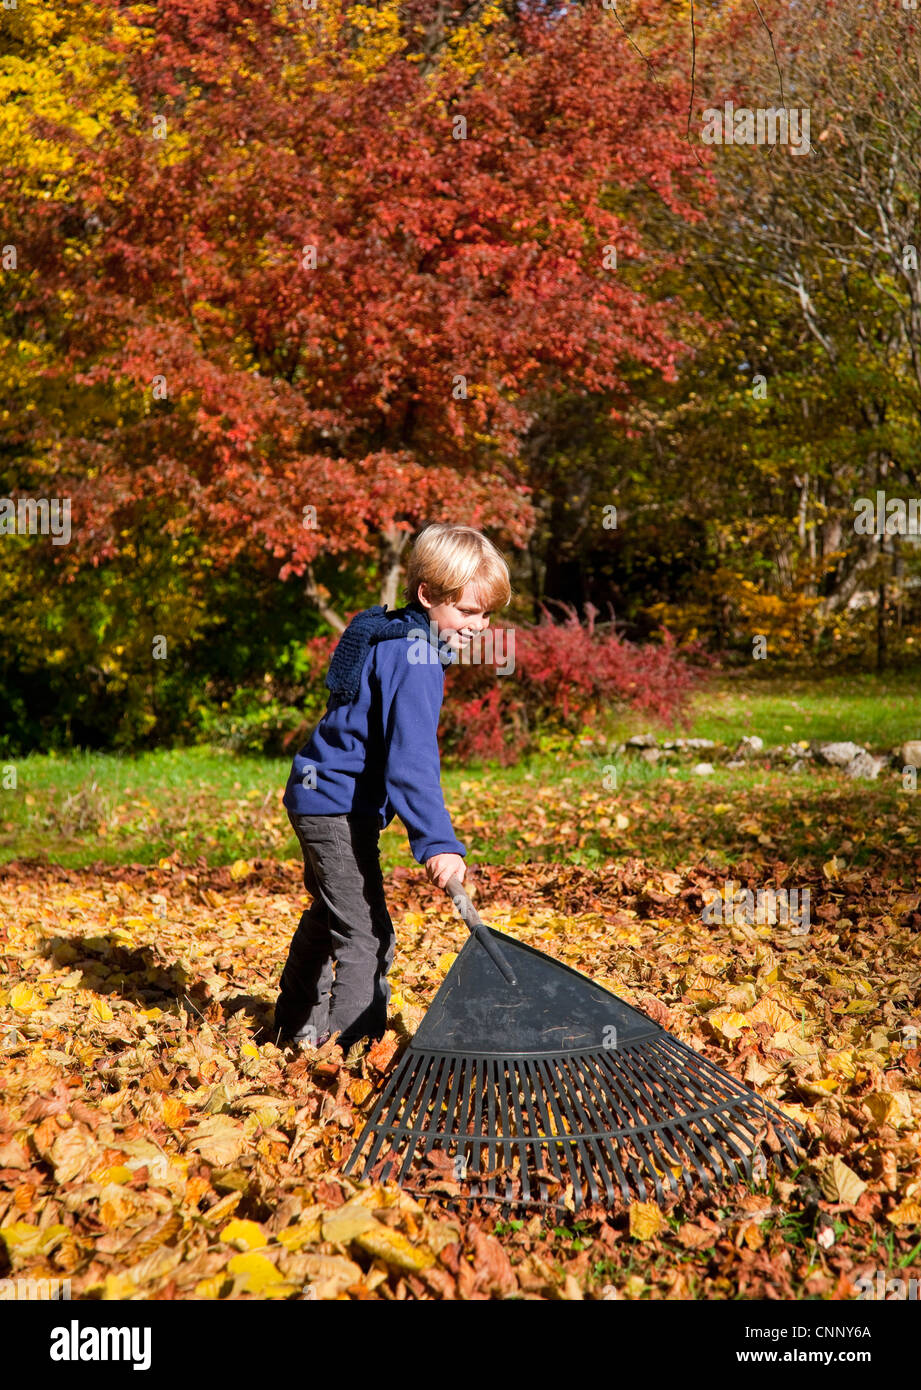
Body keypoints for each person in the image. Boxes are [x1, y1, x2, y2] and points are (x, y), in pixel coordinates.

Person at [274, 521, 512, 1059]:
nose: (479, 625)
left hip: (320, 798)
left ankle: (293, 1028)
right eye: (468, 611)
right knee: (368, 935)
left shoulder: (391, 633)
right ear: (428, 595)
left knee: (330, 913)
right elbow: (412, 763)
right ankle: (350, 1054)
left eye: (487, 614)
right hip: (334, 805)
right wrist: (439, 843)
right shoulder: (417, 656)